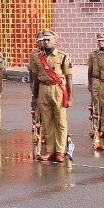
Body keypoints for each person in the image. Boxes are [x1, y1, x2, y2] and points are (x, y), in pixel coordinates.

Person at [29, 29, 72, 163]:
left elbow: (69, 79)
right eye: (44, 40)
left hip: (58, 89)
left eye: (49, 40)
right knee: (46, 122)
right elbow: (35, 79)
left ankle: (59, 151)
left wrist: (70, 97)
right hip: (43, 89)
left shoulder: (63, 56)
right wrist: (34, 97)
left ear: (55, 41)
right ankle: (50, 150)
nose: (46, 42)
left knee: (60, 122)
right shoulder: (37, 57)